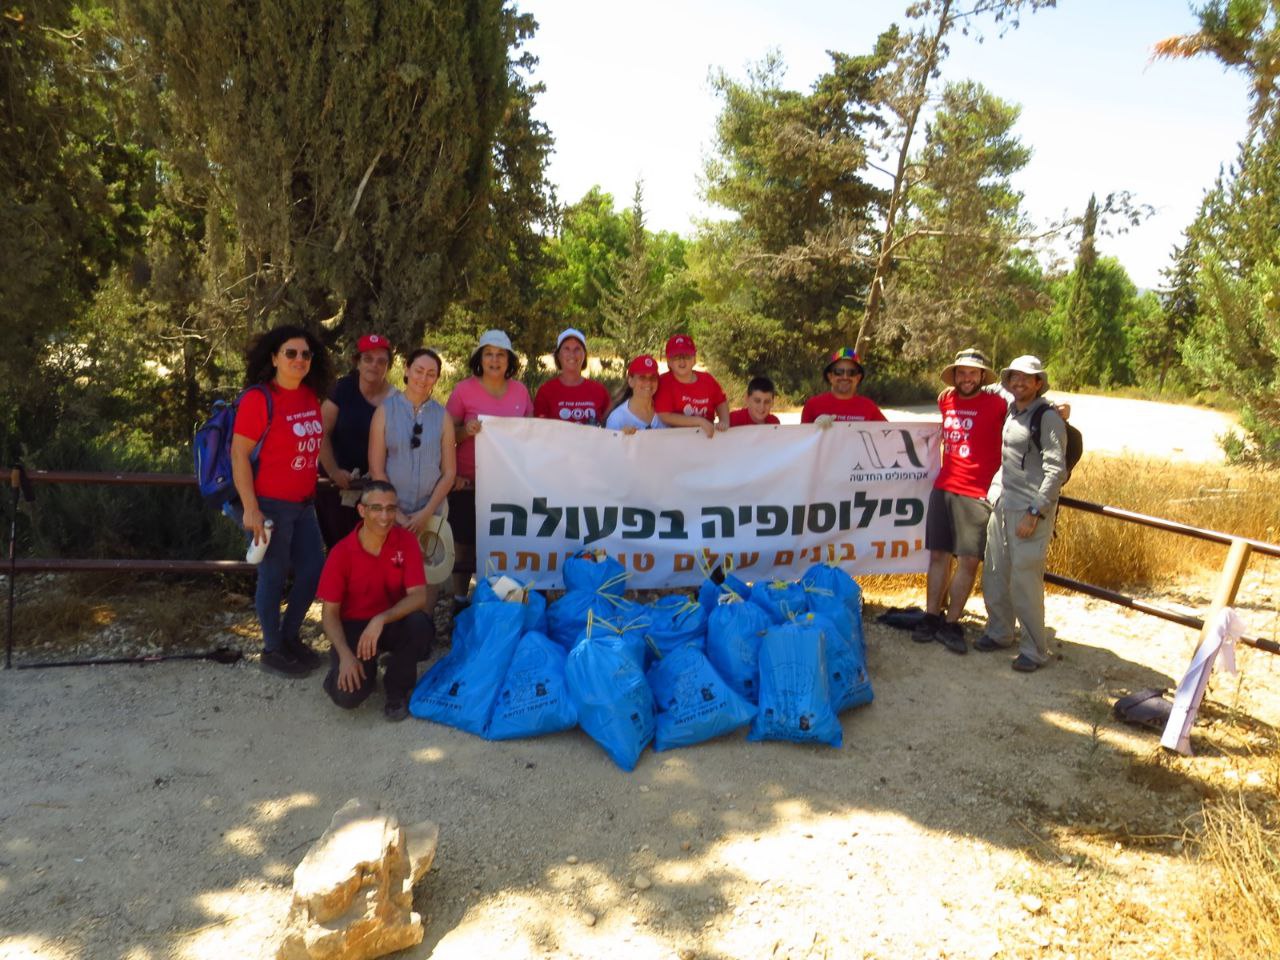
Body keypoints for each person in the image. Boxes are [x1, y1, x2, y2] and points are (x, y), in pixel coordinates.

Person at [228, 324, 332, 678]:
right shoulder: (259, 399)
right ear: (274, 358)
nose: (299, 359)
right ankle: (272, 648)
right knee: (272, 576)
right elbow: (239, 454)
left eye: (305, 354)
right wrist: (251, 508)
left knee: (312, 571)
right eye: (290, 353)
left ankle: (289, 637)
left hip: (304, 504)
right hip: (269, 505)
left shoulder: (310, 396)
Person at [913, 348, 1007, 654]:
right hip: (944, 488)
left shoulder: (998, 404)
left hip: (977, 493)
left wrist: (1056, 411)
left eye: (973, 373)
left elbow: (1026, 410)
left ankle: (952, 622)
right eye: (962, 373)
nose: (967, 378)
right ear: (954, 376)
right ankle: (931, 616)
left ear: (982, 376)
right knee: (938, 555)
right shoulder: (946, 400)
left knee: (968, 560)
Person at [977, 355, 1067, 673]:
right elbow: (982, 388)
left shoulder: (1047, 417)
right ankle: (1000, 632)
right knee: (995, 573)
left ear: (1039, 383)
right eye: (1014, 377)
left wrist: (1035, 511)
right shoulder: (1013, 409)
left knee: (1025, 582)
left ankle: (1034, 650)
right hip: (1003, 504)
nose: (1019, 383)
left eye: (1027, 378)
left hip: (1028, 511)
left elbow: (1056, 471)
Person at [316, 481, 432, 721]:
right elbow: (329, 614)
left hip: (390, 621)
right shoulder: (341, 553)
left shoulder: (407, 541)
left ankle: (397, 690)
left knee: (420, 624)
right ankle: (340, 672)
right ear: (362, 510)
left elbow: (419, 596)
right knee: (348, 697)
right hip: (354, 627)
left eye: (391, 509)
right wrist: (345, 656)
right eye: (376, 508)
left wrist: (380, 619)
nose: (385, 516)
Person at [445, 329, 533, 604]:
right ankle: (460, 601)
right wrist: (466, 431)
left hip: (507, 486)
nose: (494, 360)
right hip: (468, 482)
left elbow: (531, 434)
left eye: (500, 355)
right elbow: (446, 434)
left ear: (509, 361)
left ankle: (499, 602)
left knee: (503, 544)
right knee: (464, 545)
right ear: (479, 359)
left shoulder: (520, 391)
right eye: (488, 354)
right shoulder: (463, 390)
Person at [368, 347, 456, 616]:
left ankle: (423, 628)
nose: (423, 378)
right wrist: (398, 515)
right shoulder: (385, 412)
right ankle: (389, 628)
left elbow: (449, 472)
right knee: (391, 573)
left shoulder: (442, 417)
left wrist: (426, 513)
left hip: (431, 511)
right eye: (419, 370)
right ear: (407, 369)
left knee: (428, 574)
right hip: (391, 513)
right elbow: (377, 468)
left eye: (431, 374)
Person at [316, 333, 394, 548]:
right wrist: (333, 471)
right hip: (335, 484)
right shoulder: (341, 389)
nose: (374, 365)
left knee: (372, 546)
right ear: (357, 362)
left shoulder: (396, 399)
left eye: (381, 361)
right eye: (368, 359)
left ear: (388, 366)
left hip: (374, 486)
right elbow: (321, 431)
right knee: (339, 547)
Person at [654, 334, 730, 437]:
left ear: (694, 359)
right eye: (676, 357)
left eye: (687, 356)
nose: (682, 361)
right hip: (675, 439)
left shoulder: (707, 380)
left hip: (706, 437)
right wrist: (699, 421)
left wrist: (724, 421)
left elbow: (721, 402)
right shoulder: (664, 382)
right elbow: (665, 415)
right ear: (669, 361)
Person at [534, 327, 611, 425]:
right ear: (558, 355)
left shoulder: (599, 391)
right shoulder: (545, 391)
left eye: (577, 349)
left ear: (584, 355)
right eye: (566, 349)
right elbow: (539, 429)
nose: (572, 354)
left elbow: (610, 426)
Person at [800, 349, 888, 423]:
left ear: (858, 378)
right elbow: (802, 437)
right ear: (830, 376)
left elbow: (890, 434)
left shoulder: (869, 407)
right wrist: (814, 427)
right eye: (839, 372)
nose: (845, 377)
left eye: (851, 372)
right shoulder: (812, 405)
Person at [605, 354, 669, 433]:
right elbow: (610, 440)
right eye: (642, 377)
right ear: (630, 381)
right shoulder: (617, 418)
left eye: (653, 377)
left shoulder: (665, 411)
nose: (648, 382)